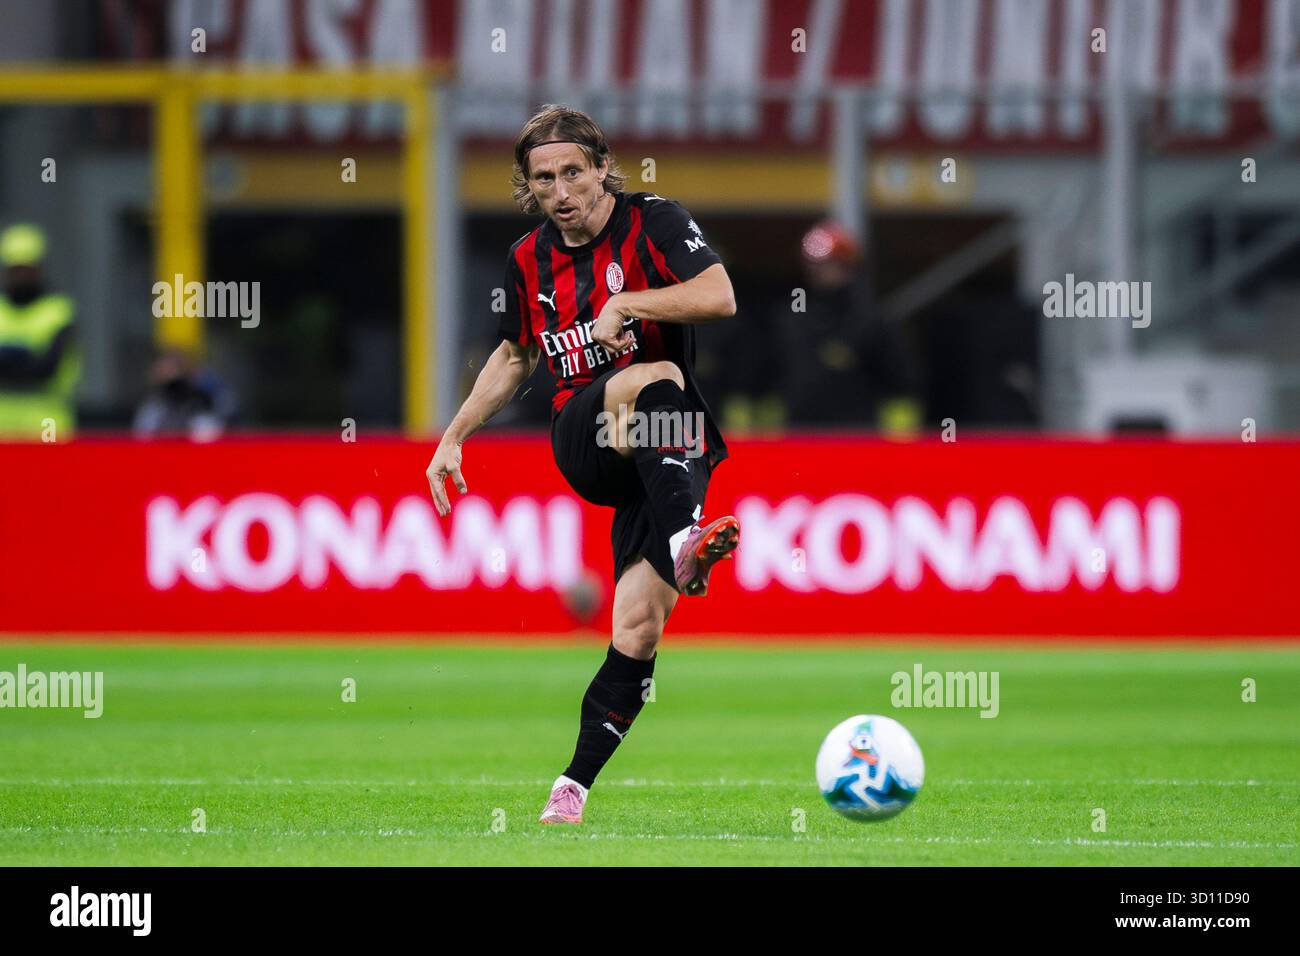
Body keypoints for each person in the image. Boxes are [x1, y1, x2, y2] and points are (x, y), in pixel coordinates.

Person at [425, 105, 739, 825]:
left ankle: (569, 790)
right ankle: (686, 539)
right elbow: (515, 357)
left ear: (602, 167)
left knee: (638, 627)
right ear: (527, 187)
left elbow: (718, 295)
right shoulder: (527, 259)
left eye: (573, 172)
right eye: (544, 179)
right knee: (652, 378)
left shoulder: (654, 221)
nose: (561, 189)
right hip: (587, 435)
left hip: (666, 449)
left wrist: (630, 301)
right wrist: (455, 435)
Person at [778, 221, 920, 433]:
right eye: (812, 264)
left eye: (825, 264)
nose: (817, 272)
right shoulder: (794, 319)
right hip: (801, 435)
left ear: (847, 265)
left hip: (856, 438)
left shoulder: (872, 321)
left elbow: (900, 383)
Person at [0, 224, 80, 440]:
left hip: (45, 421)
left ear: (39, 268)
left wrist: (7, 359)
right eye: (16, 270)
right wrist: (25, 358)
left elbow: (46, 369)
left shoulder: (58, 311)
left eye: (27, 269)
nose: (21, 276)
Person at [133, 349, 230, 441]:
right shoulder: (152, 411)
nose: (174, 388)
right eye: (166, 375)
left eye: (178, 374)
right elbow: (142, 439)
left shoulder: (201, 409)